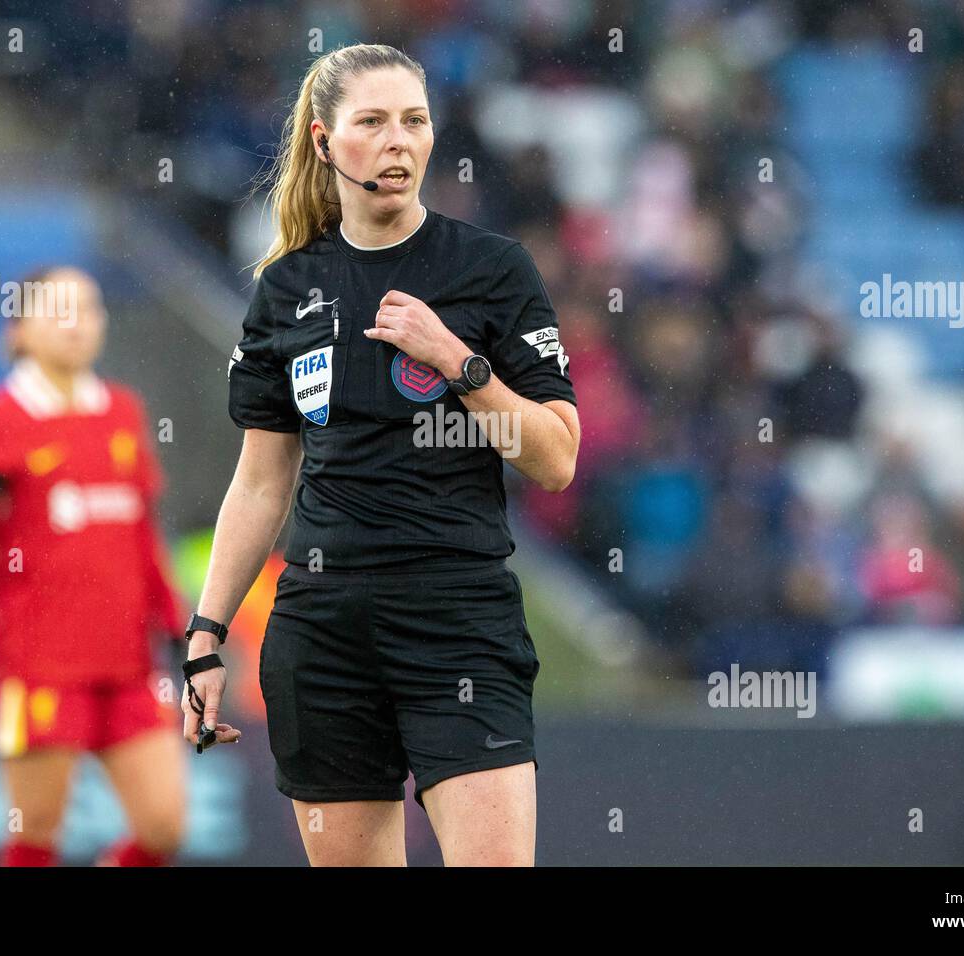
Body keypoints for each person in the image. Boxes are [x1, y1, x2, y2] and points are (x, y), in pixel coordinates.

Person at [182, 43, 580, 866]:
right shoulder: (287, 289)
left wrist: (459, 365)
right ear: (326, 143)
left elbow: (555, 459)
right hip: (324, 634)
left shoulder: (491, 269)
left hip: (459, 622)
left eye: (415, 121)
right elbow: (260, 483)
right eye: (374, 123)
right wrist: (206, 634)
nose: (400, 141)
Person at [0, 266, 187, 866]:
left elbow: (141, 532)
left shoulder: (123, 412)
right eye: (59, 309)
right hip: (39, 664)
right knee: (35, 838)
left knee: (164, 827)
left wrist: (176, 624)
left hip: (127, 664)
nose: (78, 323)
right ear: (19, 331)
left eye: (90, 307)